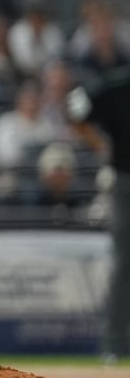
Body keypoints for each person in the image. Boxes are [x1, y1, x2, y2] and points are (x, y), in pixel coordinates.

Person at [66, 67, 130, 361]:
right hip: (126, 181)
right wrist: (101, 146)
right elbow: (74, 107)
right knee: (123, 263)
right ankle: (115, 344)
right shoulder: (117, 84)